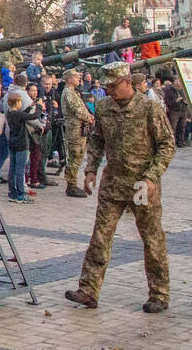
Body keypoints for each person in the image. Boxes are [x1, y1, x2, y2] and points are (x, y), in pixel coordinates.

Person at [65, 62, 175, 313]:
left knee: (152, 239)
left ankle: (159, 293)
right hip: (113, 184)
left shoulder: (150, 108)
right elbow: (97, 139)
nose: (110, 91)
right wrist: (90, 168)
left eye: (113, 86)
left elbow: (167, 145)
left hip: (141, 186)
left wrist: (151, 177)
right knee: (100, 236)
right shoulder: (104, 107)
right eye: (107, 87)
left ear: (127, 82)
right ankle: (88, 290)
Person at [60, 68, 94, 197]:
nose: (78, 79)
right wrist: (89, 118)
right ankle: (71, 185)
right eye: (76, 77)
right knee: (75, 156)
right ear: (69, 79)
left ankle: (72, 183)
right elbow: (78, 111)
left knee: (78, 156)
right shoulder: (69, 93)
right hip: (75, 129)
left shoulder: (74, 92)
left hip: (79, 128)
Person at [5, 94, 37, 203]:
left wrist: (30, 106)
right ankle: (20, 194)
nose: (21, 104)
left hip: (12, 143)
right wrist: (40, 106)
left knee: (12, 168)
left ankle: (12, 193)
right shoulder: (18, 114)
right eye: (20, 102)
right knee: (20, 170)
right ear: (17, 102)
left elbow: (23, 115)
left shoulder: (10, 113)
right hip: (22, 144)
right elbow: (34, 116)